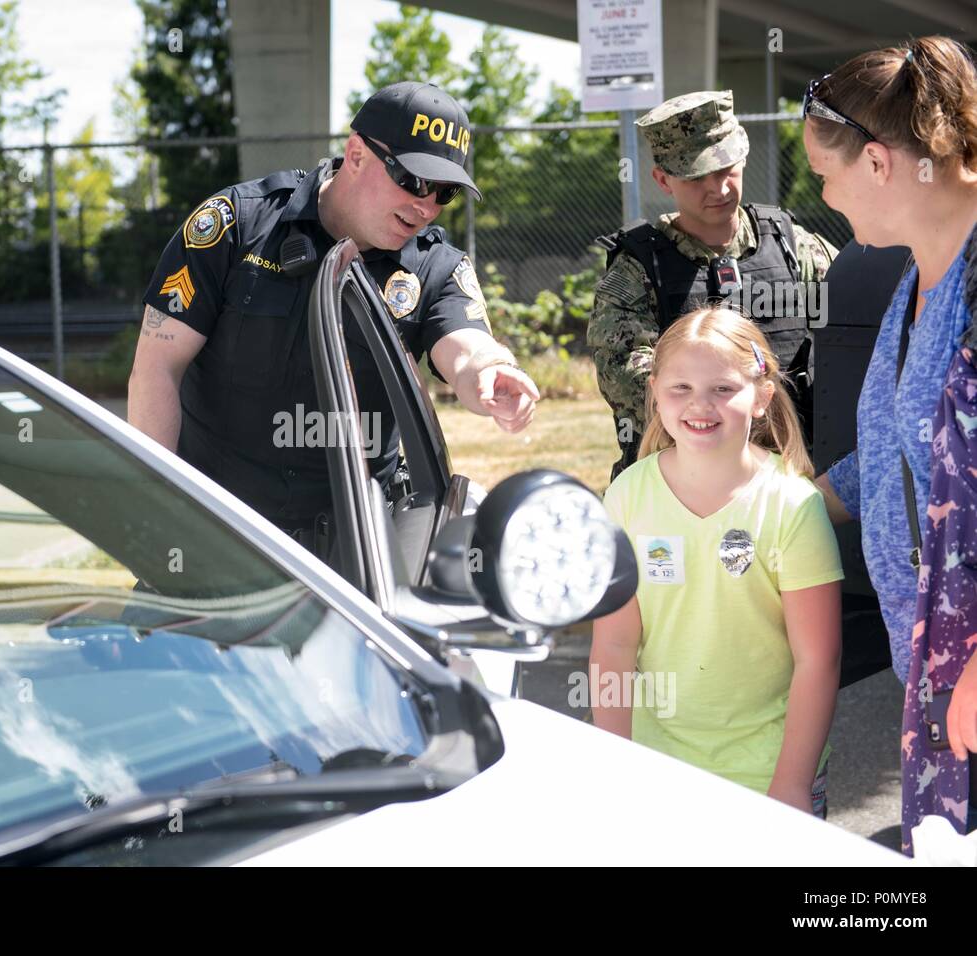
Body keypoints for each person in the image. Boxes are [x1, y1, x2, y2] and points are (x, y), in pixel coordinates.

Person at [126, 83, 538, 560]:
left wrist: (491, 370)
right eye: (413, 180)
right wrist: (162, 503)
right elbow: (157, 366)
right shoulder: (236, 226)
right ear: (357, 154)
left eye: (444, 192)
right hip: (221, 533)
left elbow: (467, 348)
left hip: (356, 553)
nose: (426, 205)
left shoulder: (434, 267)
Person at [800, 36, 977, 852]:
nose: (824, 195)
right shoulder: (913, 276)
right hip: (933, 676)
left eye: (826, 174)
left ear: (876, 162)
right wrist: (785, 506)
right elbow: (894, 452)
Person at [590, 307, 843, 816]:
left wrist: (791, 783)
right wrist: (614, 766)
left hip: (768, 773)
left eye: (723, 389)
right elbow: (614, 645)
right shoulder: (626, 495)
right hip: (657, 770)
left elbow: (818, 661)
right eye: (680, 388)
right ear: (655, 392)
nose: (699, 405)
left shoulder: (792, 504)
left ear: (762, 395)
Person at [589, 90, 839, 481]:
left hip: (790, 472)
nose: (718, 189)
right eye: (697, 177)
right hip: (682, 479)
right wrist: (726, 410)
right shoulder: (639, 268)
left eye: (726, 171)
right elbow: (626, 377)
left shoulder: (795, 247)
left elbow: (849, 334)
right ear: (662, 179)